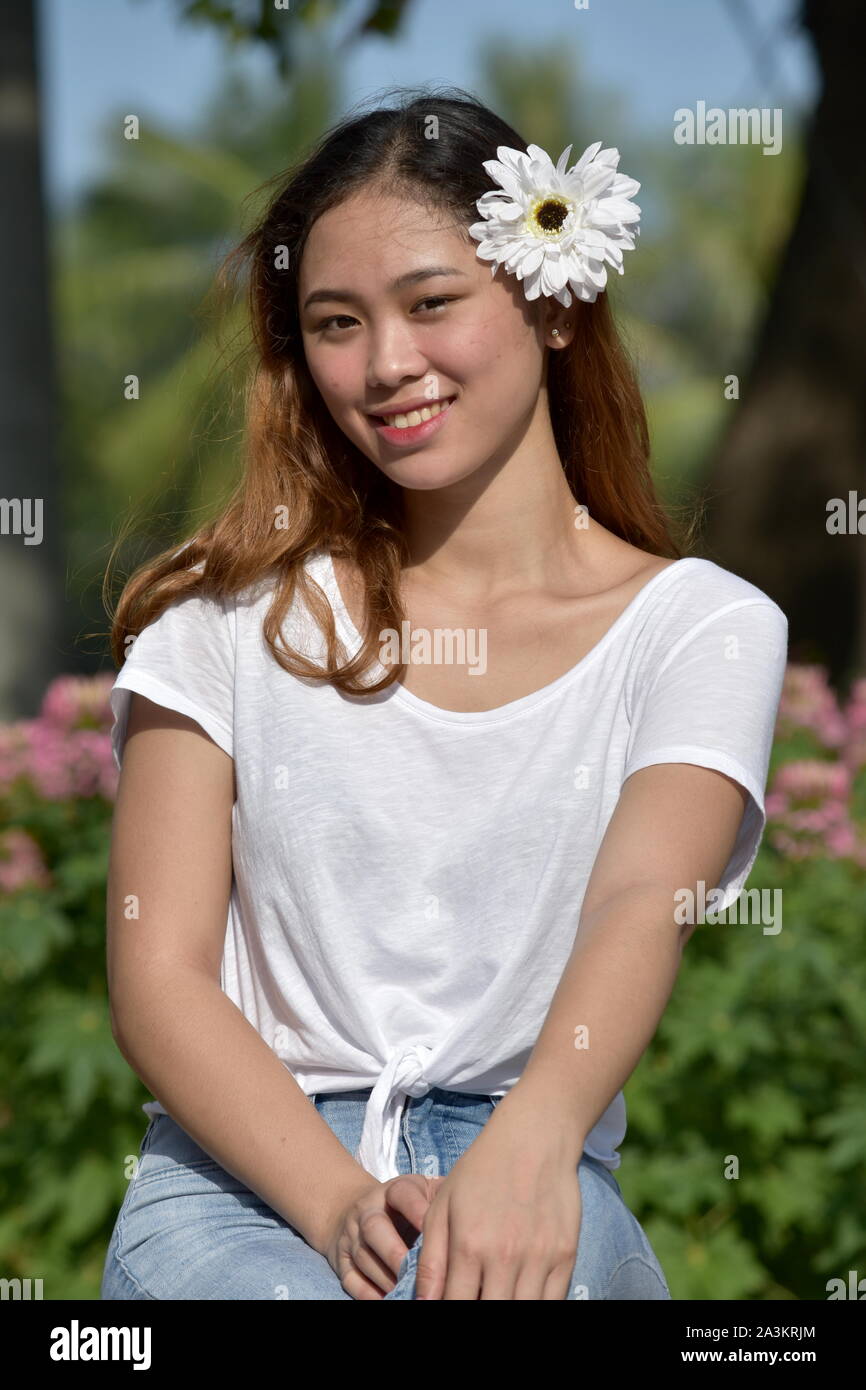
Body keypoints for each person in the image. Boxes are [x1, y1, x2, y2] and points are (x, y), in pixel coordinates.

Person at [100, 86, 788, 1301]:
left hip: (531, 1145)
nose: (385, 365)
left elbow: (642, 895)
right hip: (242, 1170)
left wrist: (536, 1135)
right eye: (333, 323)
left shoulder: (702, 629)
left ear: (555, 300)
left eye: (430, 303)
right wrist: (336, 1204)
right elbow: (160, 978)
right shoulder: (214, 617)